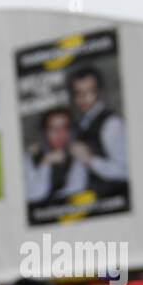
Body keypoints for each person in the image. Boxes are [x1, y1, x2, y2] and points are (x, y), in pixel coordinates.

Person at [67, 66, 129, 203]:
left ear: (100, 92)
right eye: (78, 93)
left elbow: (125, 172)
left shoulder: (112, 124)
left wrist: (90, 160)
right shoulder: (80, 124)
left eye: (89, 92)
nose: (83, 98)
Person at [24, 107, 87, 206]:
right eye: (53, 129)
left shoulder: (76, 156)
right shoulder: (29, 157)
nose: (60, 134)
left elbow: (77, 190)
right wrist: (46, 163)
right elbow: (35, 195)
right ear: (44, 132)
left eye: (65, 128)